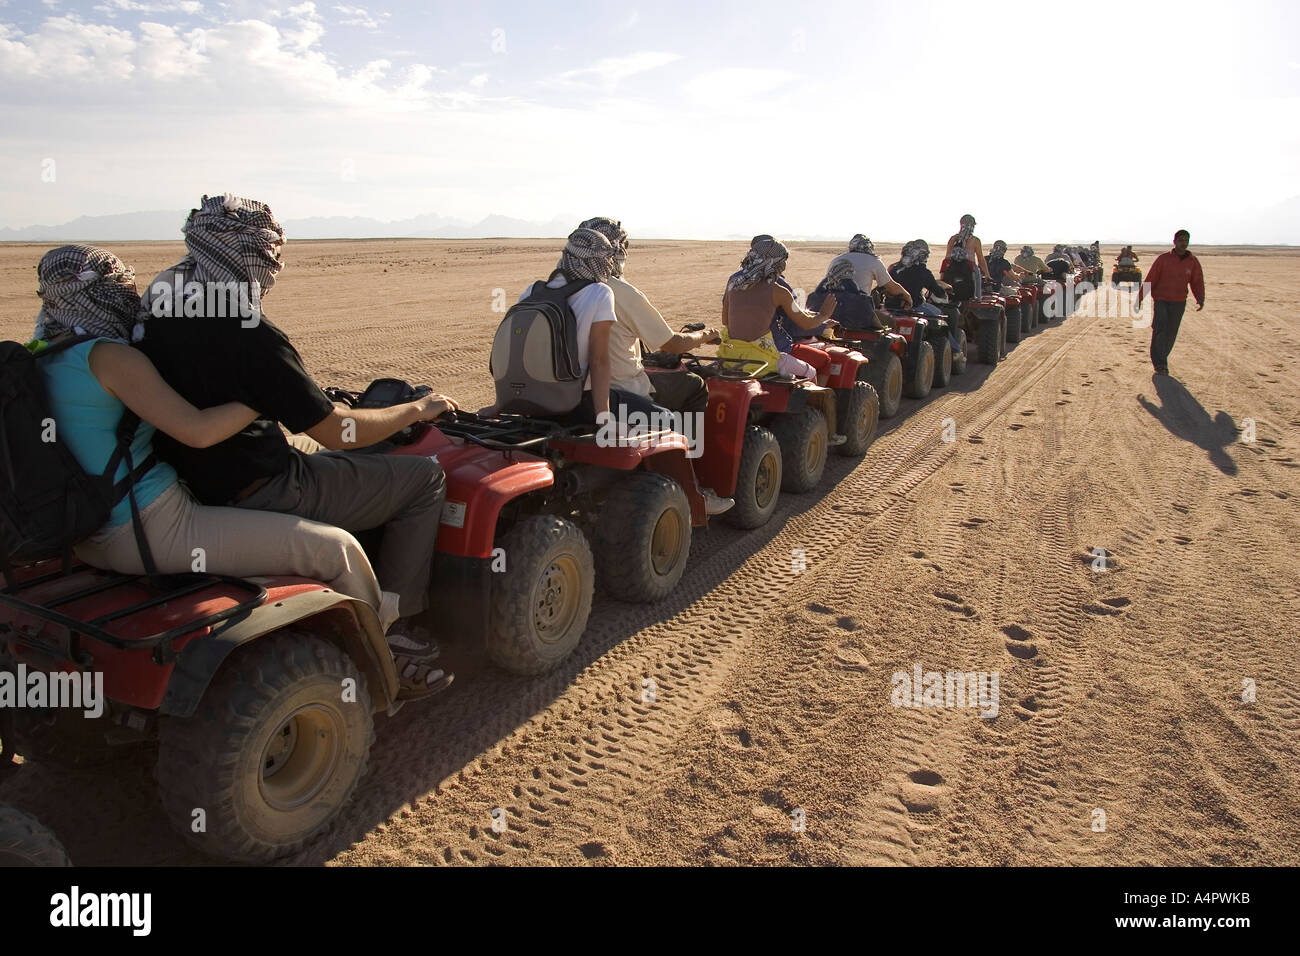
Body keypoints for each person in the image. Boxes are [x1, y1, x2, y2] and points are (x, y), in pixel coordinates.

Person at [30, 245, 445, 699]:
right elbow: (199, 432)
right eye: (122, 287)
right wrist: (266, 395)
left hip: (88, 529)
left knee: (300, 451)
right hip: (152, 528)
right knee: (339, 550)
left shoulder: (42, 355)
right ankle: (384, 663)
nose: (133, 297)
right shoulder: (110, 357)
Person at [136, 195, 457, 683]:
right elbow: (337, 432)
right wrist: (418, 408)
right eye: (268, 257)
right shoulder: (254, 335)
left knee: (319, 453)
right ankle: (398, 622)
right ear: (250, 259)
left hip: (182, 481)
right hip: (264, 485)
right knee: (424, 479)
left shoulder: (157, 305)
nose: (273, 269)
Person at [572, 217, 734, 515]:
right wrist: (704, 336)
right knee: (694, 387)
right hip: (618, 389)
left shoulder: (563, 285)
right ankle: (691, 483)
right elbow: (672, 343)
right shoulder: (617, 291)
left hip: (571, 391)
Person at [720, 237, 837, 381]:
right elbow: (805, 323)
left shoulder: (733, 283)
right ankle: (812, 404)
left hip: (731, 354)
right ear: (777, 263)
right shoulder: (779, 291)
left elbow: (725, 320)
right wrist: (823, 315)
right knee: (811, 372)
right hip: (766, 356)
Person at [1136, 229, 1205, 376]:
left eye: (1186, 240)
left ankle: (1161, 357)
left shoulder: (1192, 262)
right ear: (1174, 242)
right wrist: (1140, 297)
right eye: (1180, 240)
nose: (1183, 243)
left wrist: (1200, 298)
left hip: (1179, 302)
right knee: (1160, 329)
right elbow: (1150, 278)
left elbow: (1197, 281)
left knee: (1171, 333)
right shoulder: (1163, 259)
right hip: (1161, 300)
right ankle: (1160, 363)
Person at [889, 240, 961, 353]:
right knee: (940, 318)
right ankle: (956, 352)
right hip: (914, 307)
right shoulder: (923, 271)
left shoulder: (894, 268)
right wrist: (944, 292)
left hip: (890, 307)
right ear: (922, 255)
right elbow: (936, 290)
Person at [826, 235, 913, 310]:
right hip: (856, 309)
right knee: (890, 323)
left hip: (830, 308)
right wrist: (907, 296)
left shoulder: (836, 260)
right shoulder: (873, 261)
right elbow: (891, 287)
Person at [943, 214, 991, 299]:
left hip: (952, 268)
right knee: (976, 295)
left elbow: (947, 258)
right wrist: (987, 275)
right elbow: (981, 259)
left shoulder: (952, 239)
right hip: (970, 268)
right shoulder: (975, 240)